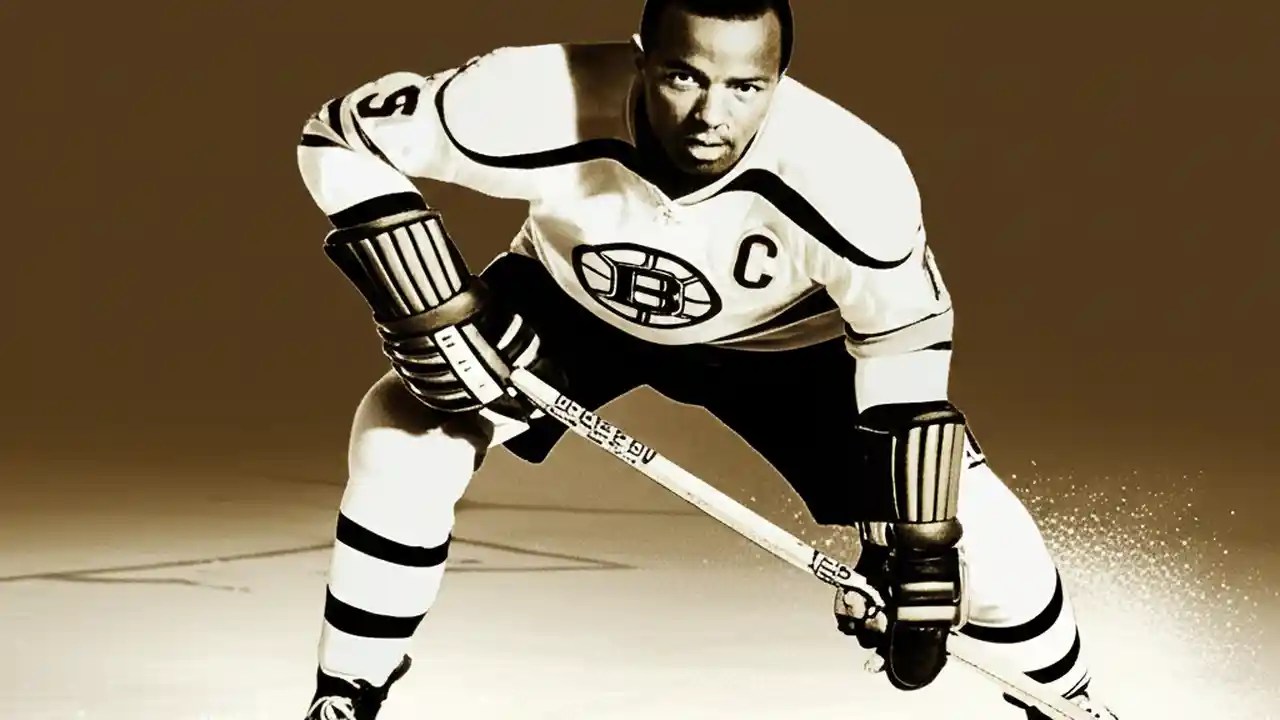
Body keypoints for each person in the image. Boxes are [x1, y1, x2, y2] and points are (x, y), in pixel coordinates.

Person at [294, 1, 1120, 718]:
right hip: (574, 301)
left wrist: (923, 551)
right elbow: (338, 136)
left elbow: (906, 364)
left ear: (781, 79)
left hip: (785, 343)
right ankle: (346, 695)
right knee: (400, 437)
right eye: (686, 77)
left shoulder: (854, 176)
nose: (710, 117)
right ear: (641, 56)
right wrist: (431, 298)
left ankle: (1072, 700)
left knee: (980, 542)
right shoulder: (530, 95)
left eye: (746, 87)